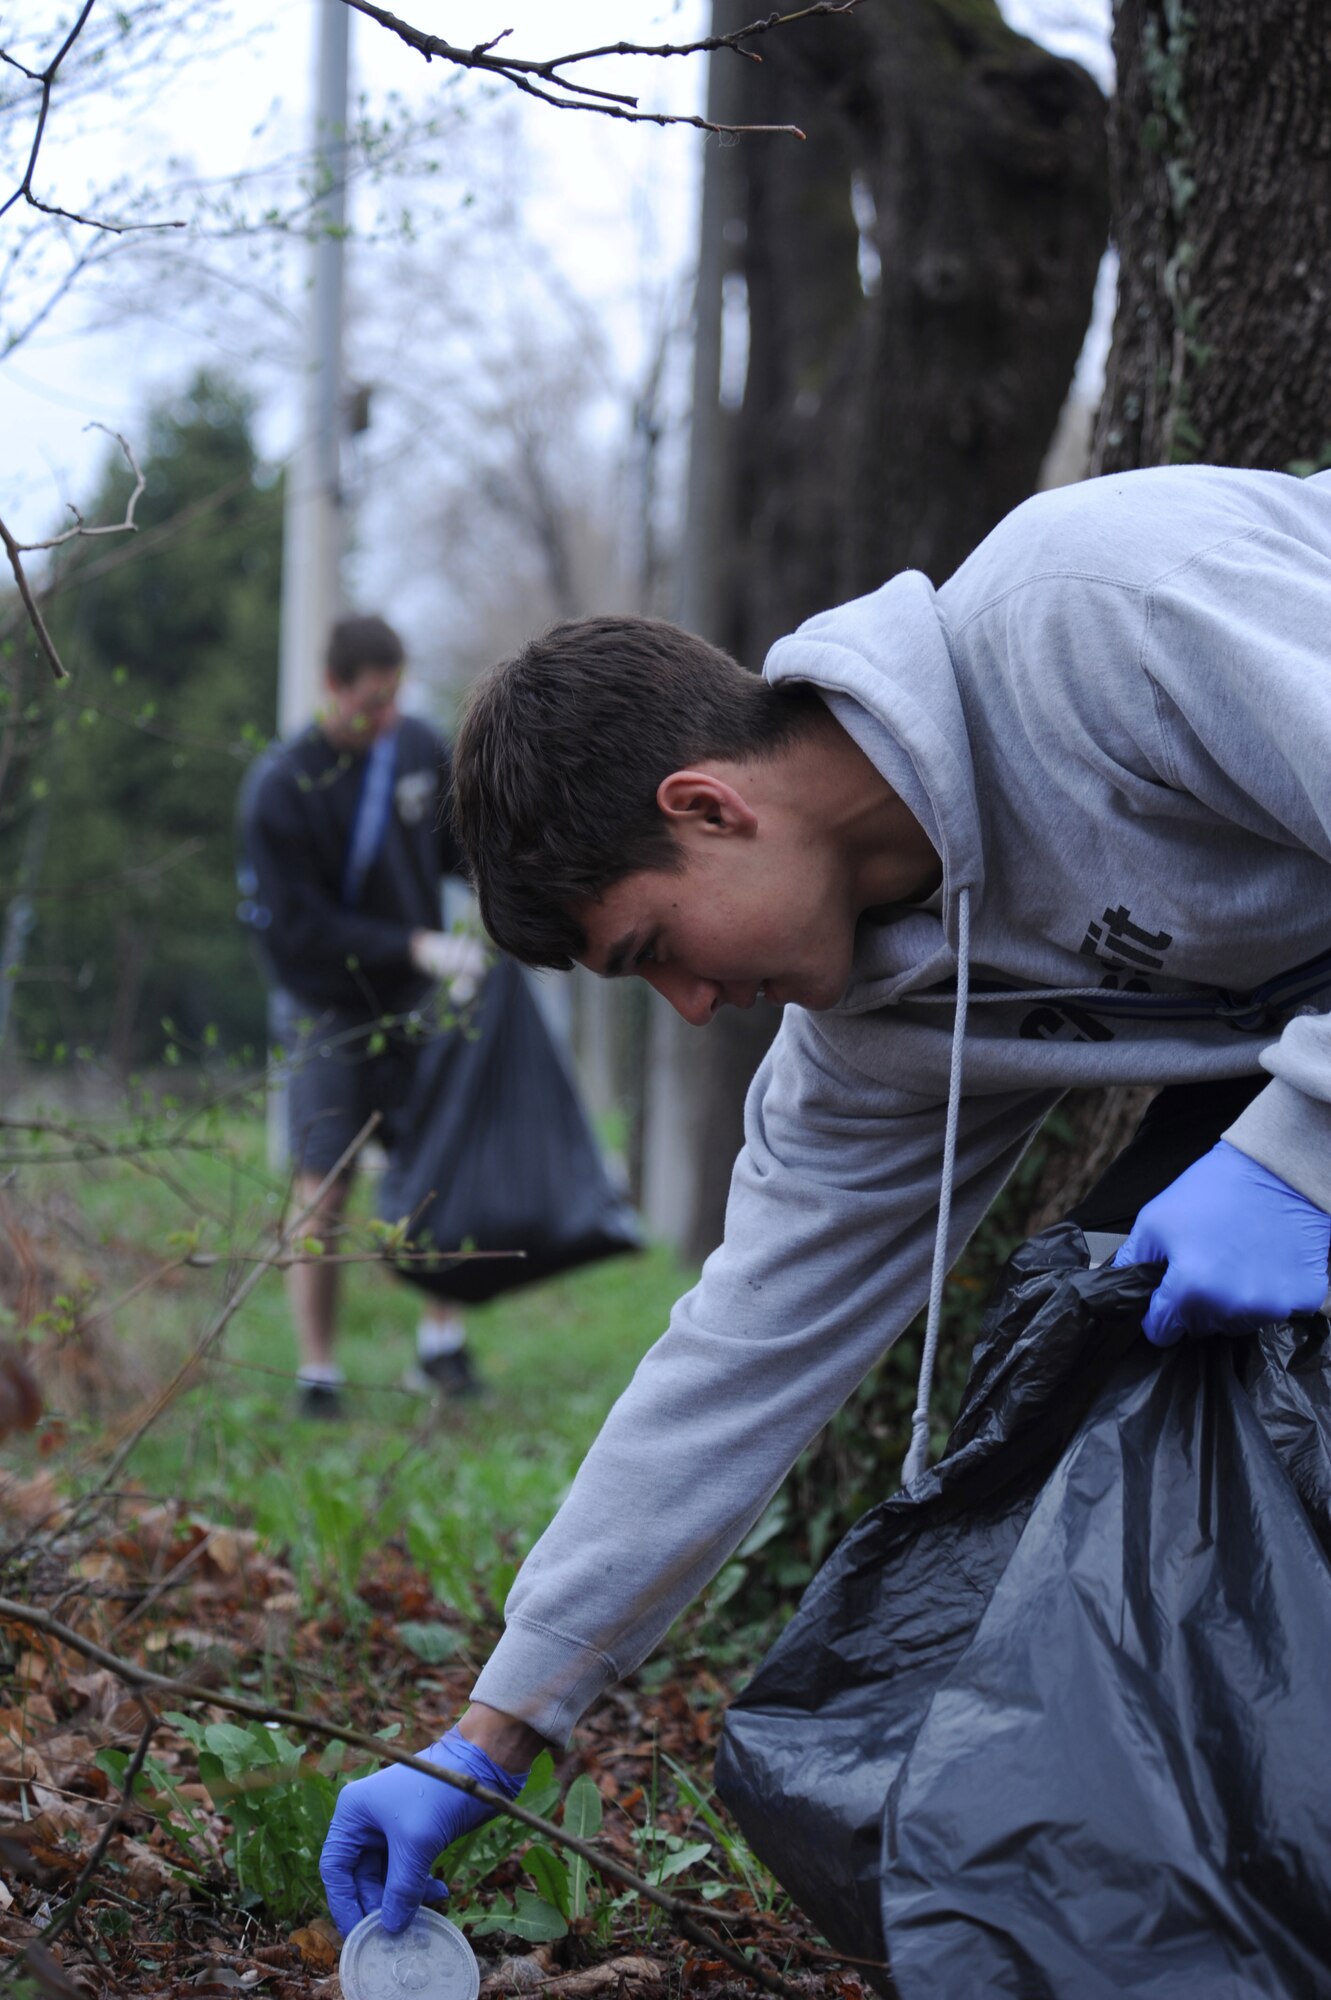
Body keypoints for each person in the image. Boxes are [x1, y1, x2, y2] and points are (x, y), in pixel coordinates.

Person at [320, 462, 1331, 1935]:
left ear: (706, 804)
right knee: (1142, 1356)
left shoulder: (1097, 615)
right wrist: (495, 1728)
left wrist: (1298, 1145)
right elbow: (740, 1352)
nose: (688, 1004)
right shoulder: (868, 1040)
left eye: (652, 948)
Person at [242, 613, 488, 1419]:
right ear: (332, 687)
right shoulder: (283, 788)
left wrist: (510, 907)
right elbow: (300, 931)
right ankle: (319, 1374)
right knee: (324, 1190)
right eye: (372, 701)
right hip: (327, 1013)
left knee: (436, 1168)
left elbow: (462, 854)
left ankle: (441, 1346)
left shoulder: (415, 749)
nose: (386, 717)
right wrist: (415, 944)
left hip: (413, 1003)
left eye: (395, 697)